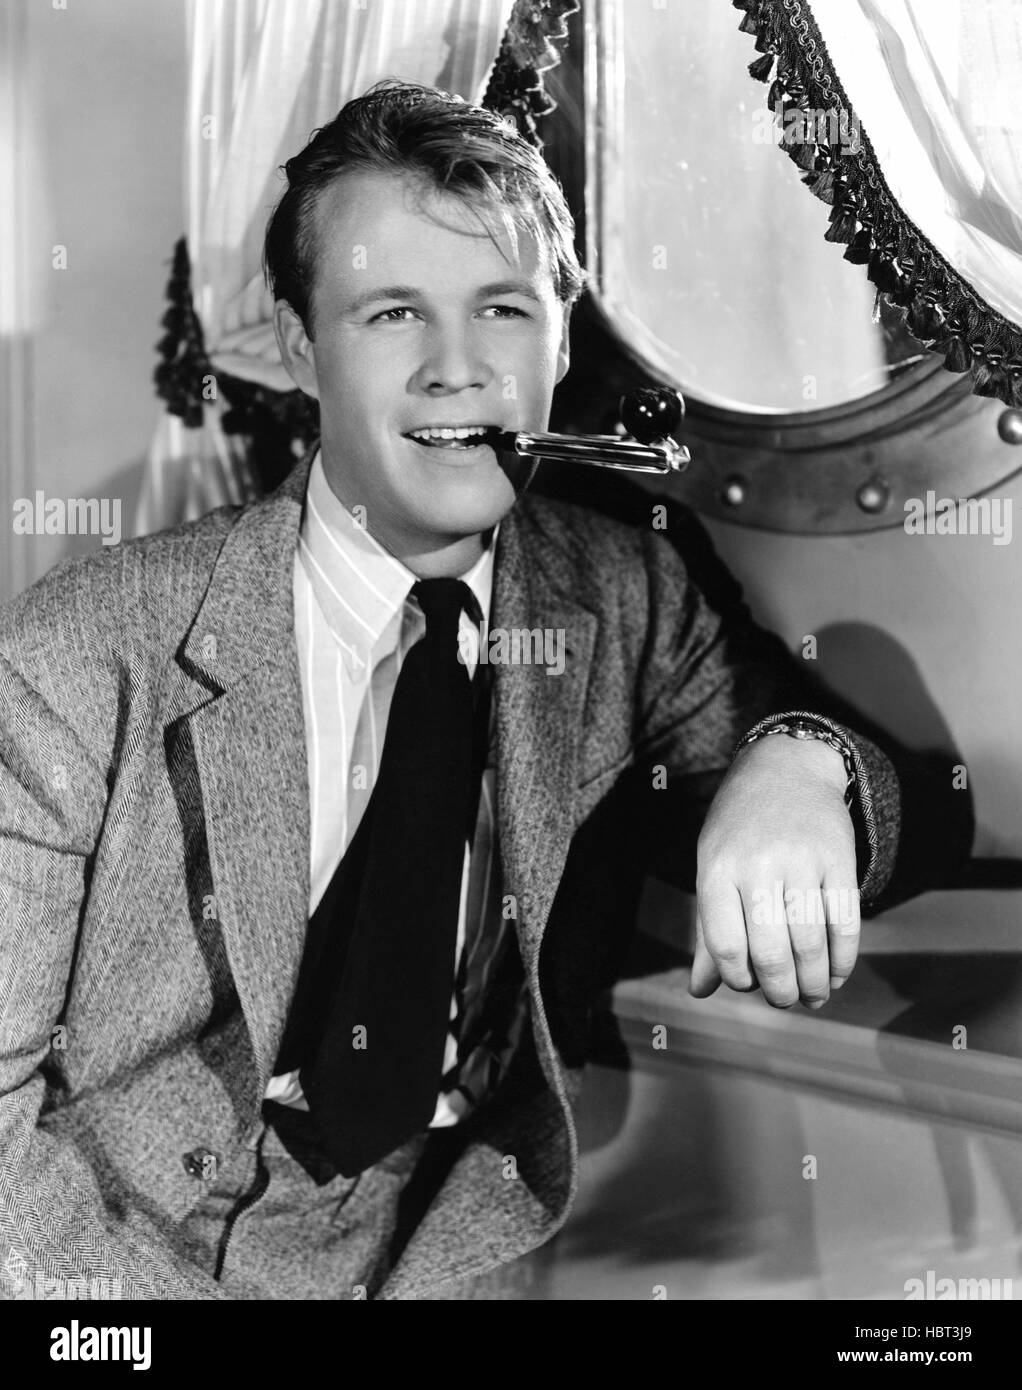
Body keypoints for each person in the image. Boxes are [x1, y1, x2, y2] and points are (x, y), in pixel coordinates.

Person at [0, 81, 900, 1302]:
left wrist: (798, 761)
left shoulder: (624, 587)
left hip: (452, 1258)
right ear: (295, 339)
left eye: (502, 309)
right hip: (107, 1256)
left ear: (561, 337)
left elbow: (872, 779)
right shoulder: (76, 648)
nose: (458, 369)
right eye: (390, 313)